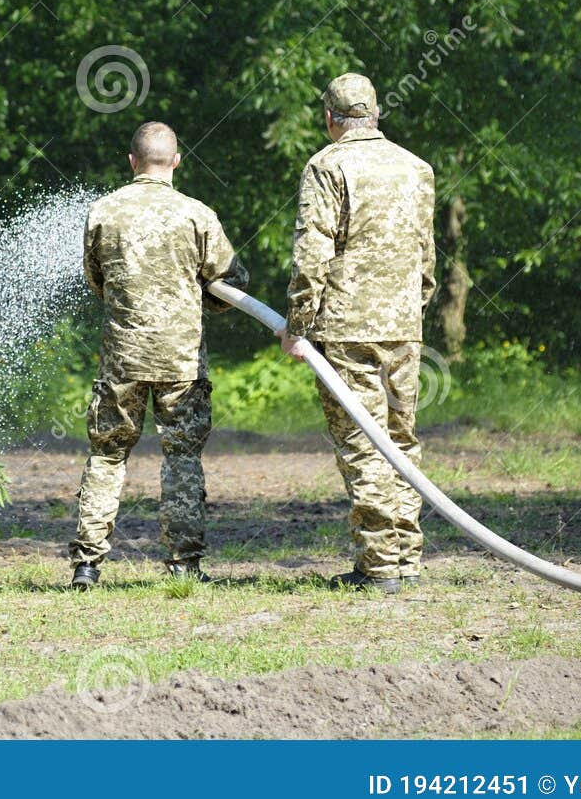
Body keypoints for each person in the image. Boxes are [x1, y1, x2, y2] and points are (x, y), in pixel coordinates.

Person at [70, 121, 246, 590]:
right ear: (176, 161)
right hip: (181, 363)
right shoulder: (197, 215)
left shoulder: (104, 211)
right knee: (182, 457)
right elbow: (228, 284)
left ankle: (87, 565)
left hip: (121, 358)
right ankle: (184, 565)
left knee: (107, 456)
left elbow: (96, 280)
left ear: (132, 161)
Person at [281, 74, 436, 594]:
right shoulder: (417, 168)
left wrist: (297, 326)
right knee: (401, 439)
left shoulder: (327, 166)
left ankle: (378, 566)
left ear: (330, 119)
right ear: (375, 115)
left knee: (362, 443)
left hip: (347, 328)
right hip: (403, 326)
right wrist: (413, 311)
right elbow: (427, 257)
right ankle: (406, 557)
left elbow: (312, 254)